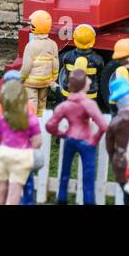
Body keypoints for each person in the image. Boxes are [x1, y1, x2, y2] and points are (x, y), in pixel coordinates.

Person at [46, 71, 109, 205]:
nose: (90, 82)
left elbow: (50, 125)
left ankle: (62, 198)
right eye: (87, 80)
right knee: (88, 176)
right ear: (82, 84)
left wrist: (62, 134)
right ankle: (88, 201)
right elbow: (103, 126)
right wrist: (94, 140)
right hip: (86, 141)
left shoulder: (65, 105)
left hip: (70, 139)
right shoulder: (88, 104)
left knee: (64, 172)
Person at [0, 79, 43, 205]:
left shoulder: (2, 117)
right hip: (20, 155)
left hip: (2, 154)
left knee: (1, 187)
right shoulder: (30, 118)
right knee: (15, 190)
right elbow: (38, 141)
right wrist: (30, 151)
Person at [104, 76, 129, 204]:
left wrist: (113, 157)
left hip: (120, 163)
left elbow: (109, 145)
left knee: (128, 195)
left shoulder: (114, 122)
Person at [20, 10, 60, 114]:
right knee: (42, 101)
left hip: (31, 82)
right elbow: (55, 62)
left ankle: (33, 122)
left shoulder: (30, 46)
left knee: (31, 101)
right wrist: (54, 76)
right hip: (45, 80)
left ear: (33, 26)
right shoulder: (53, 44)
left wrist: (21, 78)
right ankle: (41, 119)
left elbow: (26, 66)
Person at [58, 24, 105, 107]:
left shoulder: (67, 56)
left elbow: (65, 70)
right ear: (93, 41)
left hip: (68, 93)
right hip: (89, 94)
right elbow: (99, 74)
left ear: (75, 40)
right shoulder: (98, 60)